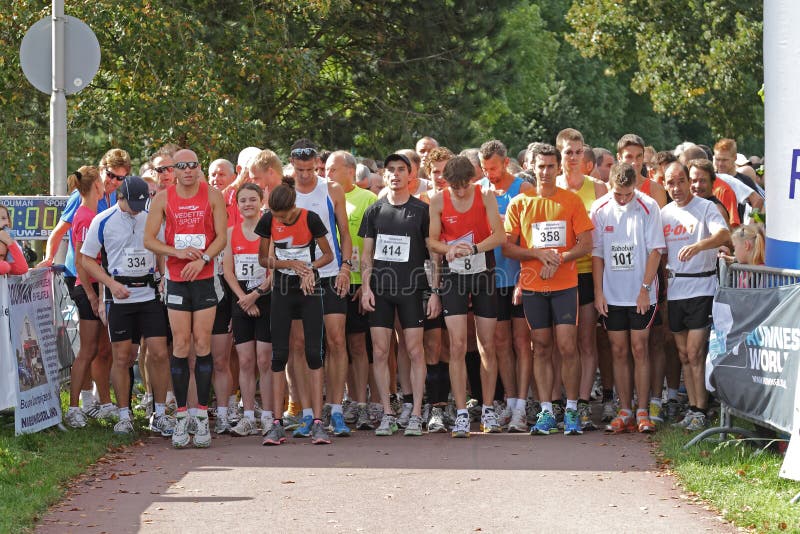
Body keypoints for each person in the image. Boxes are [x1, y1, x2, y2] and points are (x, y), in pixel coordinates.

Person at [503, 143, 593, 436]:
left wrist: (560, 257)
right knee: (540, 346)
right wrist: (536, 254)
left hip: (565, 284)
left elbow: (586, 244)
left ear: (558, 168)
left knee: (568, 345)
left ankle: (570, 409)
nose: (545, 172)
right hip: (532, 285)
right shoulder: (520, 202)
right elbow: (507, 246)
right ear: (533, 167)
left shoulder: (571, 201)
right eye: (540, 166)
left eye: (550, 166)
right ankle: (545, 411)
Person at [144, 148, 228, 448]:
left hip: (204, 279)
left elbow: (222, 237)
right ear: (174, 170)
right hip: (177, 280)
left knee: (203, 343)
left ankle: (202, 416)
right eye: (182, 166)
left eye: (193, 165)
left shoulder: (213, 195)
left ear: (198, 168)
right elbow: (149, 239)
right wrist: (177, 253)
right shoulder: (164, 198)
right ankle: (181, 416)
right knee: (180, 344)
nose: (188, 171)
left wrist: (203, 258)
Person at [78, 177, 173, 436]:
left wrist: (162, 277)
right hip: (119, 296)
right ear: (120, 197)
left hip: (149, 294)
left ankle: (161, 413)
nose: (137, 208)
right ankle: (123, 414)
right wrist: (110, 284)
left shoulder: (150, 216)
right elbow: (87, 260)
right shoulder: (103, 220)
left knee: (159, 352)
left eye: (141, 204)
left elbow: (162, 250)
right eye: (132, 203)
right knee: (123, 357)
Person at [359, 153, 440, 437]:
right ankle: (388, 412)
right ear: (383, 175)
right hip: (380, 290)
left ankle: (417, 412)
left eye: (400, 170)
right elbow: (366, 255)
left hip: (412, 289)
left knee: (414, 350)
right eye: (390, 170)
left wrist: (434, 292)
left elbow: (432, 256)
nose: (395, 175)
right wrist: (366, 287)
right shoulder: (374, 210)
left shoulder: (421, 210)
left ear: (410, 176)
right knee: (380, 352)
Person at [429, 155, 506, 437]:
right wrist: (446, 249)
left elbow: (500, 236)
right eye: (455, 187)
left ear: (472, 181)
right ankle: (461, 412)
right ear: (446, 183)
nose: (461, 192)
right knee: (458, 344)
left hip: (482, 269)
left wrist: (473, 249)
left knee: (487, 343)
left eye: (465, 186)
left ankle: (487, 407)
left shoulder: (484, 195)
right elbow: (431, 240)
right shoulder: (438, 200)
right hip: (454, 275)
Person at [257, 177, 334, 446]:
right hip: (281, 290)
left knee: (314, 352)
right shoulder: (268, 220)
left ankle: (317, 422)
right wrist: (288, 262)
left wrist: (309, 268)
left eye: (285, 216)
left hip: (309, 289)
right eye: (277, 216)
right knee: (279, 355)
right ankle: (277, 424)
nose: (282, 220)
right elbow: (263, 258)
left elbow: (328, 255)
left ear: (293, 206)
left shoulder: (309, 218)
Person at [591, 163, 665, 434]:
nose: (622, 199)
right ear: (610, 185)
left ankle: (643, 410)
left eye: (627, 194)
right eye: (618, 194)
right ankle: (625, 410)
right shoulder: (599, 209)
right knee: (618, 351)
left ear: (635, 186)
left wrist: (645, 288)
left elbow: (656, 251)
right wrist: (599, 292)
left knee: (639, 348)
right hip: (613, 293)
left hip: (640, 292)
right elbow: (597, 253)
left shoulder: (648, 207)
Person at [287, 140, 353, 438]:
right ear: (291, 165)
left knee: (336, 340)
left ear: (317, 163)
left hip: (329, 274)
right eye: (298, 170)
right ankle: (308, 412)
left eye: (308, 169)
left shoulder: (331, 189)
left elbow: (345, 235)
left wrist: (345, 268)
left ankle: (336, 409)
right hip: (298, 277)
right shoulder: (285, 194)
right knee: (300, 345)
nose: (303, 175)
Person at [661, 161, 730, 431]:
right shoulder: (665, 213)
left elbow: (724, 234)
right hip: (676, 288)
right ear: (665, 185)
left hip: (702, 287)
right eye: (670, 183)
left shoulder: (705, 207)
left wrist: (699, 245)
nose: (676, 188)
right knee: (682, 353)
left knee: (695, 350)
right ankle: (692, 408)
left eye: (681, 181)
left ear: (688, 181)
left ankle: (701, 409)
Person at [478, 140, 534, 432]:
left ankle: (522, 406)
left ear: (507, 162)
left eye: (494, 168)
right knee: (499, 343)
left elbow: (531, 237)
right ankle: (510, 401)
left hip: (519, 276)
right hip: (490, 278)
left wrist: (525, 276)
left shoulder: (523, 190)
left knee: (521, 341)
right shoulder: (480, 190)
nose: (489, 174)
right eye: (485, 168)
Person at [556, 128, 608, 431]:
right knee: (562, 343)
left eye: (578, 151)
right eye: (568, 152)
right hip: (558, 275)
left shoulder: (598, 189)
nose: (573, 157)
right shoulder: (548, 187)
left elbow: (599, 237)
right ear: (560, 154)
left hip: (587, 272)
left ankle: (584, 403)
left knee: (587, 342)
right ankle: (563, 401)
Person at [325, 151, 378, 431]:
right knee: (332, 344)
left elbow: (376, 247)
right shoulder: (322, 197)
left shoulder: (368, 200)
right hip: (329, 280)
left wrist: (367, 283)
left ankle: (361, 404)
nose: (328, 174)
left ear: (349, 170)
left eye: (333, 169)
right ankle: (336, 401)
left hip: (358, 281)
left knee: (358, 345)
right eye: (326, 169)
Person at [63, 167, 115, 428]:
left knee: (104, 349)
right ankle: (73, 408)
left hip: (99, 287)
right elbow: (83, 260)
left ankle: (105, 404)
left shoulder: (94, 213)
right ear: (96, 185)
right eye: (103, 181)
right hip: (88, 287)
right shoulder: (84, 216)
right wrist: (93, 296)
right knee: (88, 349)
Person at [222, 183, 274, 437]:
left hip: (265, 299)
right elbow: (228, 271)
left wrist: (256, 295)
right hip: (240, 300)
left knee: (264, 359)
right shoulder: (231, 233)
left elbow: (274, 271)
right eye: (243, 200)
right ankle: (248, 416)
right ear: (237, 204)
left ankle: (268, 416)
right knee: (245, 360)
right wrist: (243, 298)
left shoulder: (270, 233)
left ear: (261, 201)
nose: (248, 204)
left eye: (252, 199)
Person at [0, 205, 30, 275]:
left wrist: (10, 242)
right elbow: (4, 267)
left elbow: (22, 269)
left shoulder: (8, 239)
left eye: (3, 218)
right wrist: (6, 266)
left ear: (9, 222)